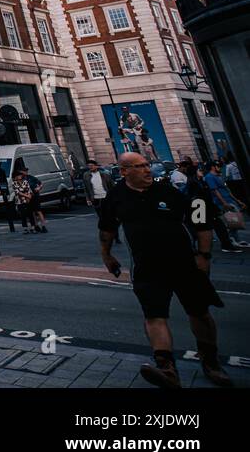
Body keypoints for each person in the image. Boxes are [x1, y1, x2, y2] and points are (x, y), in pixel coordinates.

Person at [98, 151, 231, 388]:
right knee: (154, 315)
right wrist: (106, 256)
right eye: (139, 166)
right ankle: (167, 369)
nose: (147, 169)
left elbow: (200, 220)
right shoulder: (115, 196)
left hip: (184, 263)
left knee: (199, 312)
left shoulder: (167, 191)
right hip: (147, 266)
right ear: (124, 171)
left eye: (147, 164)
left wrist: (204, 254)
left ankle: (211, 361)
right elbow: (107, 228)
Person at [204, 161, 248, 249]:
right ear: (213, 167)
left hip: (229, 199)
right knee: (233, 220)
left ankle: (234, 238)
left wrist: (237, 201)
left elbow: (227, 189)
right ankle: (232, 239)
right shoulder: (209, 177)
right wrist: (224, 203)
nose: (219, 167)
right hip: (223, 201)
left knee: (235, 220)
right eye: (217, 166)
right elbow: (215, 191)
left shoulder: (218, 176)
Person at [12, 168, 35, 233]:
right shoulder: (14, 183)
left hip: (28, 200)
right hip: (20, 201)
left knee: (30, 214)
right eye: (18, 175)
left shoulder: (25, 181)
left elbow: (29, 189)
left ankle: (33, 227)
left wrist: (28, 196)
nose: (20, 176)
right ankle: (25, 228)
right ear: (16, 177)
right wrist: (27, 195)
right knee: (23, 215)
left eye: (20, 175)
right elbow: (18, 192)